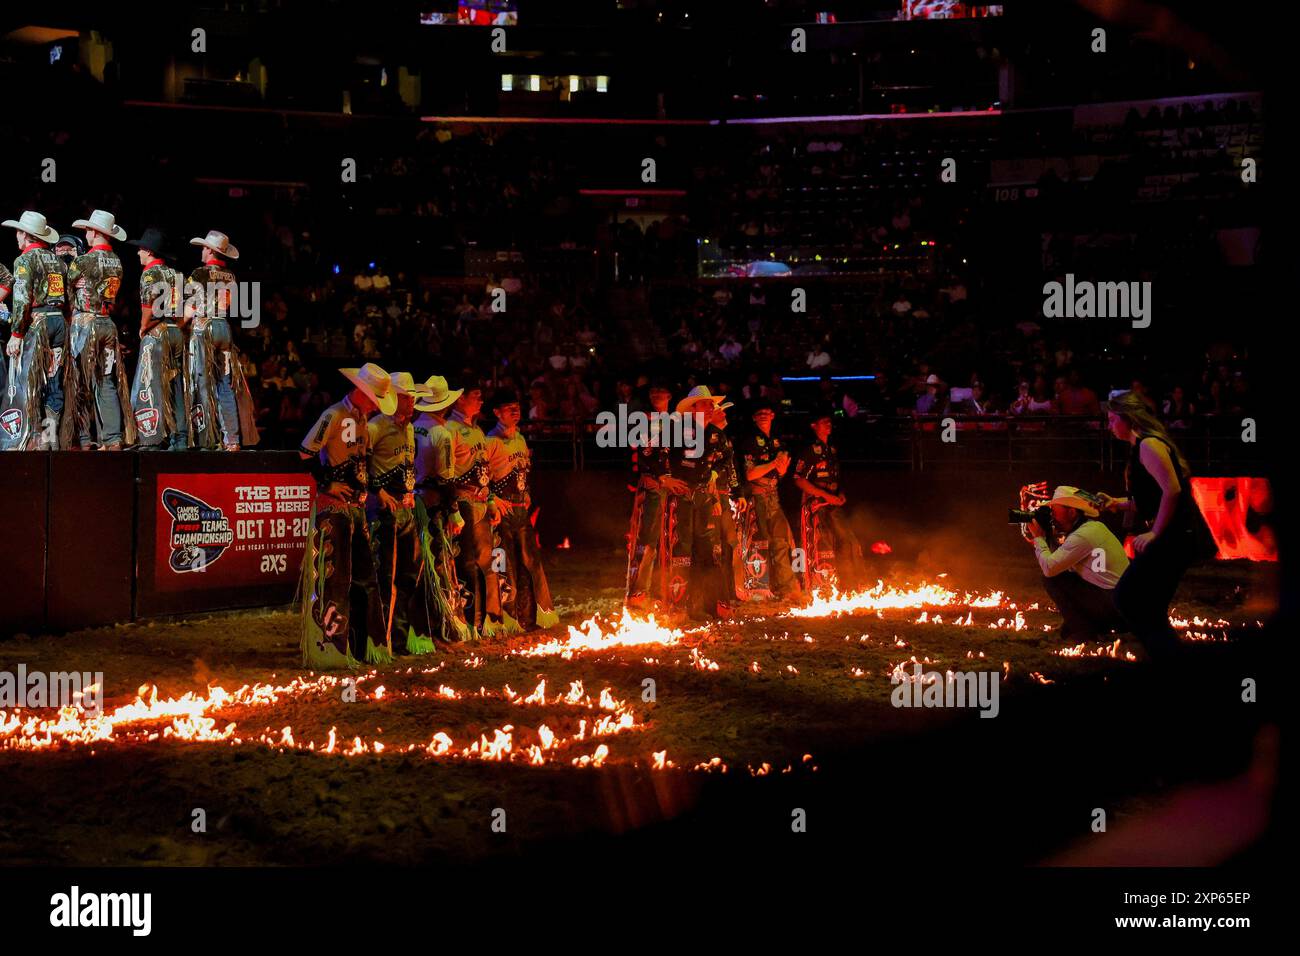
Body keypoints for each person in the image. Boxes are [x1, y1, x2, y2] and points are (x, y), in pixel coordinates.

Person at [1098, 391, 1217, 661]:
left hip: (1175, 536)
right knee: (1148, 606)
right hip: (1174, 536)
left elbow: (1172, 491)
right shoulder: (1141, 447)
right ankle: (1168, 658)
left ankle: (1168, 657)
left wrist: (1154, 532)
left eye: (1112, 419)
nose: (1109, 425)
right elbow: (1153, 497)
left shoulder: (1149, 445)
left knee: (1128, 597)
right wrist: (1117, 503)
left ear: (1127, 418)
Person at [298, 363, 395, 668]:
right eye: (373, 398)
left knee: (364, 575)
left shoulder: (360, 419)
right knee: (336, 577)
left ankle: (363, 644)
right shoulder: (334, 415)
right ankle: (333, 645)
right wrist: (327, 482)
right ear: (362, 392)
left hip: (355, 506)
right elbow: (305, 451)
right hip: (335, 507)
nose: (376, 405)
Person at [435, 383, 518, 638]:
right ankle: (472, 620)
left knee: (488, 562)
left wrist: (491, 499)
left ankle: (492, 618)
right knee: (468, 564)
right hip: (464, 503)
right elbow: (446, 473)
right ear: (460, 401)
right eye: (476, 396)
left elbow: (485, 472)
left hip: (481, 503)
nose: (480, 401)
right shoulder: (450, 430)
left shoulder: (478, 431)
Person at [368, 372, 436, 656]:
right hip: (386, 511)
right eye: (407, 398)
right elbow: (360, 460)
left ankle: (399, 636)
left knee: (408, 575)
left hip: (406, 507)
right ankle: (382, 639)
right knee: (386, 576)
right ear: (394, 399)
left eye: (412, 398)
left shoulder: (407, 429)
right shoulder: (375, 427)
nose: (412, 403)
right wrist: (377, 491)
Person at [486, 388, 559, 631]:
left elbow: (523, 471)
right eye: (509, 408)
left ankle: (531, 618)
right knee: (504, 566)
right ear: (497, 412)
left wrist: (526, 494)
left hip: (521, 512)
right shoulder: (490, 442)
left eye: (517, 407)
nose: (515, 412)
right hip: (502, 515)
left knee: (530, 565)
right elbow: (483, 478)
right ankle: (506, 619)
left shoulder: (519, 438)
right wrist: (493, 500)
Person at [62, 210, 135, 450]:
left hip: (86, 324)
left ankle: (84, 440)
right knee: (106, 381)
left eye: (88, 231)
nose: (86, 234)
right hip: (107, 324)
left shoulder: (83, 261)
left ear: (95, 232)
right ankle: (112, 439)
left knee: (81, 382)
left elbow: (66, 288)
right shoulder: (117, 261)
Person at [1025, 486, 1130, 643]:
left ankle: (1084, 633)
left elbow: (1050, 568)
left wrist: (1039, 538)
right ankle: (1087, 627)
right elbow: (1062, 562)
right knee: (1065, 581)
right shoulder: (1090, 528)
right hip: (1120, 602)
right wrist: (1048, 537)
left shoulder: (1083, 535)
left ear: (1072, 512)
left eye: (1054, 510)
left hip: (1115, 606)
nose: (1051, 515)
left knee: (1053, 580)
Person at [1, 211, 69, 451]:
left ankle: (31, 438)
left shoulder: (24, 261)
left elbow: (21, 300)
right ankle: (50, 439)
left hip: (38, 323)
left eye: (18, 232)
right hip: (59, 322)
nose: (16, 237)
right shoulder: (58, 261)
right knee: (53, 380)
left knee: (28, 382)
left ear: (26, 235)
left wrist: (16, 334)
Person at [412, 375, 471, 643]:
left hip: (413, 499)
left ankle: (420, 622)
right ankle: (441, 623)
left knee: (416, 564)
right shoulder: (441, 434)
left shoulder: (414, 427)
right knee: (439, 562)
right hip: (433, 502)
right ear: (445, 406)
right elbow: (446, 478)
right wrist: (454, 511)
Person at [186, 230, 258, 450]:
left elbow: (190, 309)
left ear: (209, 250)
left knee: (204, 383)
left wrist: (181, 325)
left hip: (204, 328)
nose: (202, 250)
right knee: (225, 385)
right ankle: (232, 440)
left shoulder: (199, 273)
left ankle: (207, 437)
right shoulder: (231, 276)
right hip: (223, 328)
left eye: (204, 247)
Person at [665, 386, 730, 620]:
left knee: (708, 552)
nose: (711, 407)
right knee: (681, 550)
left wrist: (714, 476)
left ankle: (711, 605)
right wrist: (665, 478)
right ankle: (679, 605)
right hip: (682, 495)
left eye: (711, 404)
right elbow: (657, 452)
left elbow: (726, 462)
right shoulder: (676, 431)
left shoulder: (717, 435)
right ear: (693, 408)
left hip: (704, 497)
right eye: (705, 404)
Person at [625, 378, 688, 608]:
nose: (656, 394)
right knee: (648, 539)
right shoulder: (644, 420)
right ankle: (639, 591)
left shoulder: (679, 421)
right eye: (653, 391)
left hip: (676, 485)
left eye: (661, 390)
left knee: (675, 539)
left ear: (670, 396)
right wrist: (663, 477)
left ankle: (671, 591)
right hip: (654, 484)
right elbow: (645, 451)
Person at [792, 408, 867, 593]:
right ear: (813, 426)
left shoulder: (832, 450)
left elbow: (836, 478)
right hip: (816, 505)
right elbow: (799, 479)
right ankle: (818, 585)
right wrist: (825, 496)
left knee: (847, 541)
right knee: (821, 544)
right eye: (823, 421)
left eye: (829, 421)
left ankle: (849, 583)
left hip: (833, 504)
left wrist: (840, 493)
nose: (828, 424)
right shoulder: (809, 451)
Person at [128, 228, 190, 449]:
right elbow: (185, 309)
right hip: (175, 331)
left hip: (158, 333)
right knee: (176, 385)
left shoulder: (150, 274)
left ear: (148, 251)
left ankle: (151, 438)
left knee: (151, 383)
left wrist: (143, 327)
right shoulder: (177, 274)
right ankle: (180, 438)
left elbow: (148, 305)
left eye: (140, 250)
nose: (138, 254)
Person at [740, 397, 804, 604]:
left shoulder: (778, 441)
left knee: (781, 542)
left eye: (767, 413)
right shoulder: (749, 440)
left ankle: (787, 588)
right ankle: (759, 589)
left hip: (774, 495)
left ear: (773, 415)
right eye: (759, 414)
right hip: (756, 497)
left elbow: (782, 471)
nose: (764, 416)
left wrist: (779, 466)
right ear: (754, 418)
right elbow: (750, 474)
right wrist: (772, 464)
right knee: (759, 542)